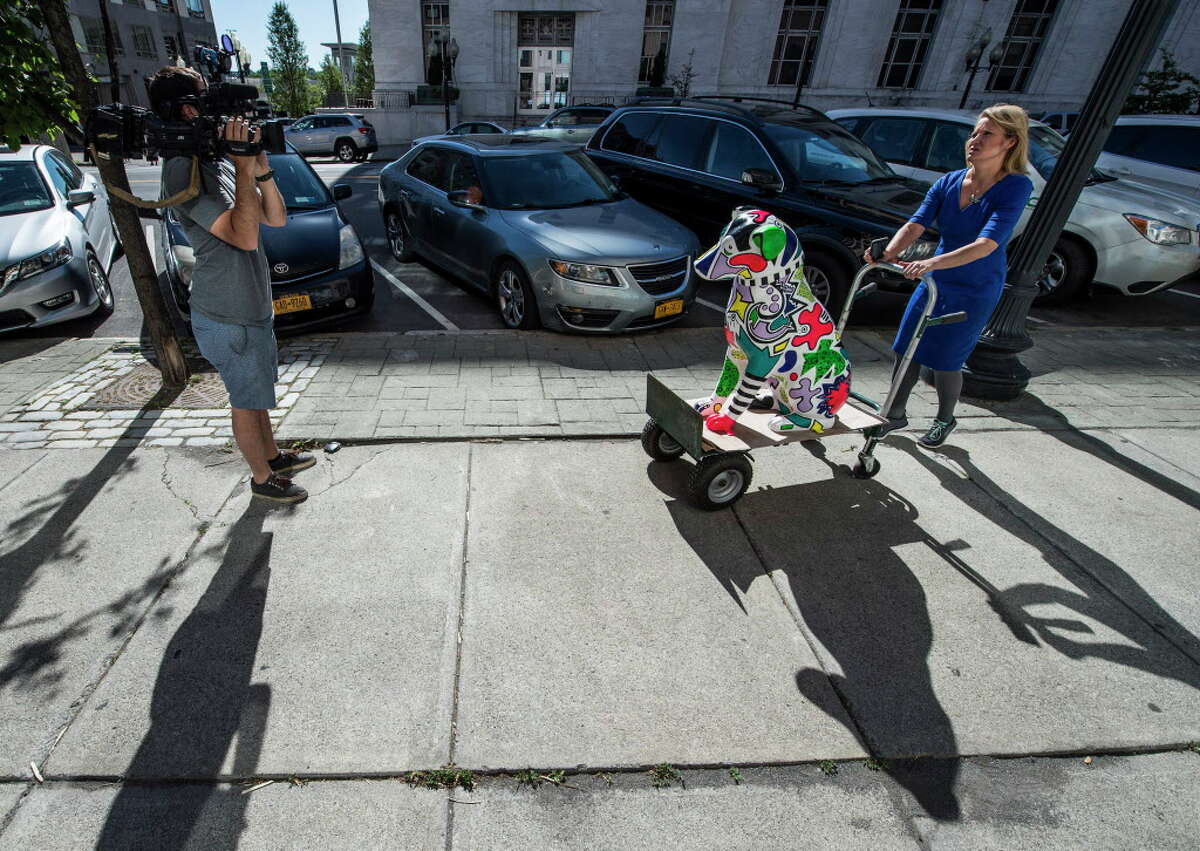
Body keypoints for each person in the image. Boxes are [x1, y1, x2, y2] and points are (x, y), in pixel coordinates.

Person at [150, 65, 314, 503]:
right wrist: (242, 168)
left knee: (257, 393)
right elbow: (243, 234)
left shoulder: (214, 160)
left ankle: (273, 455)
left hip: (251, 308)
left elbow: (274, 218)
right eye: (206, 98)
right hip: (225, 313)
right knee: (245, 398)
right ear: (186, 109)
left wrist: (259, 169)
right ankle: (263, 480)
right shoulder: (182, 169)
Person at [866, 104, 1035, 448]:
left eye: (987, 134)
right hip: (937, 281)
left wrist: (931, 262)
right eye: (975, 132)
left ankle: (945, 417)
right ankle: (895, 413)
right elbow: (916, 223)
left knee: (946, 359)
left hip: (975, 285)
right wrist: (889, 253)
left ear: (1010, 142)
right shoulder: (949, 181)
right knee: (905, 348)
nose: (975, 140)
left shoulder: (1015, 187)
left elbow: (987, 244)